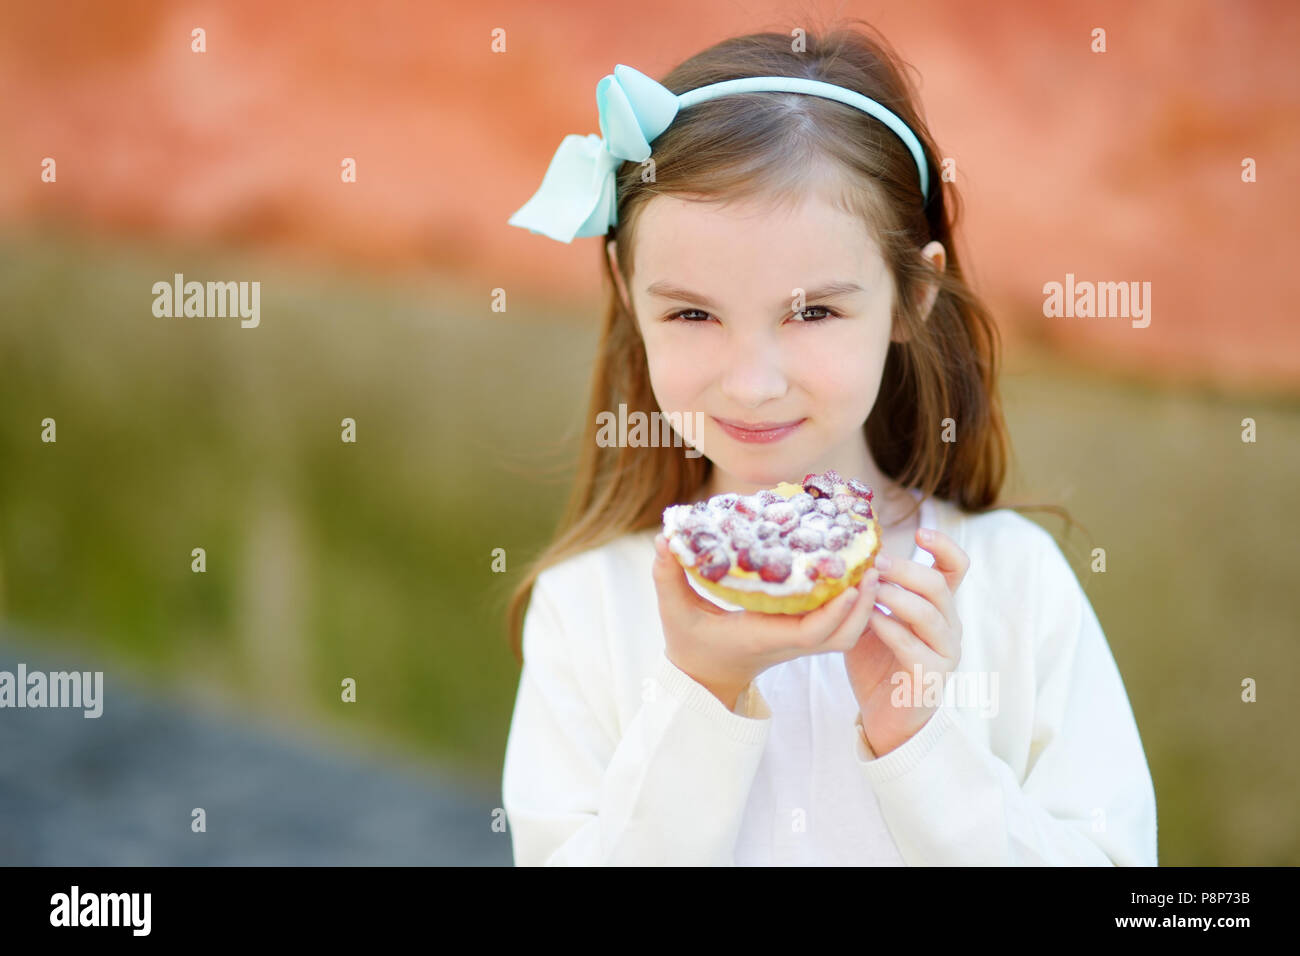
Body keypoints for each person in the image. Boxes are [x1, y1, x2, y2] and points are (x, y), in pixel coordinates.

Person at [499, 22, 1157, 866]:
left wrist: (919, 742)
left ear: (912, 295)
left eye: (813, 312)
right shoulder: (587, 606)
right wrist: (699, 697)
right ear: (630, 295)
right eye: (693, 313)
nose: (752, 383)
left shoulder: (1016, 585)